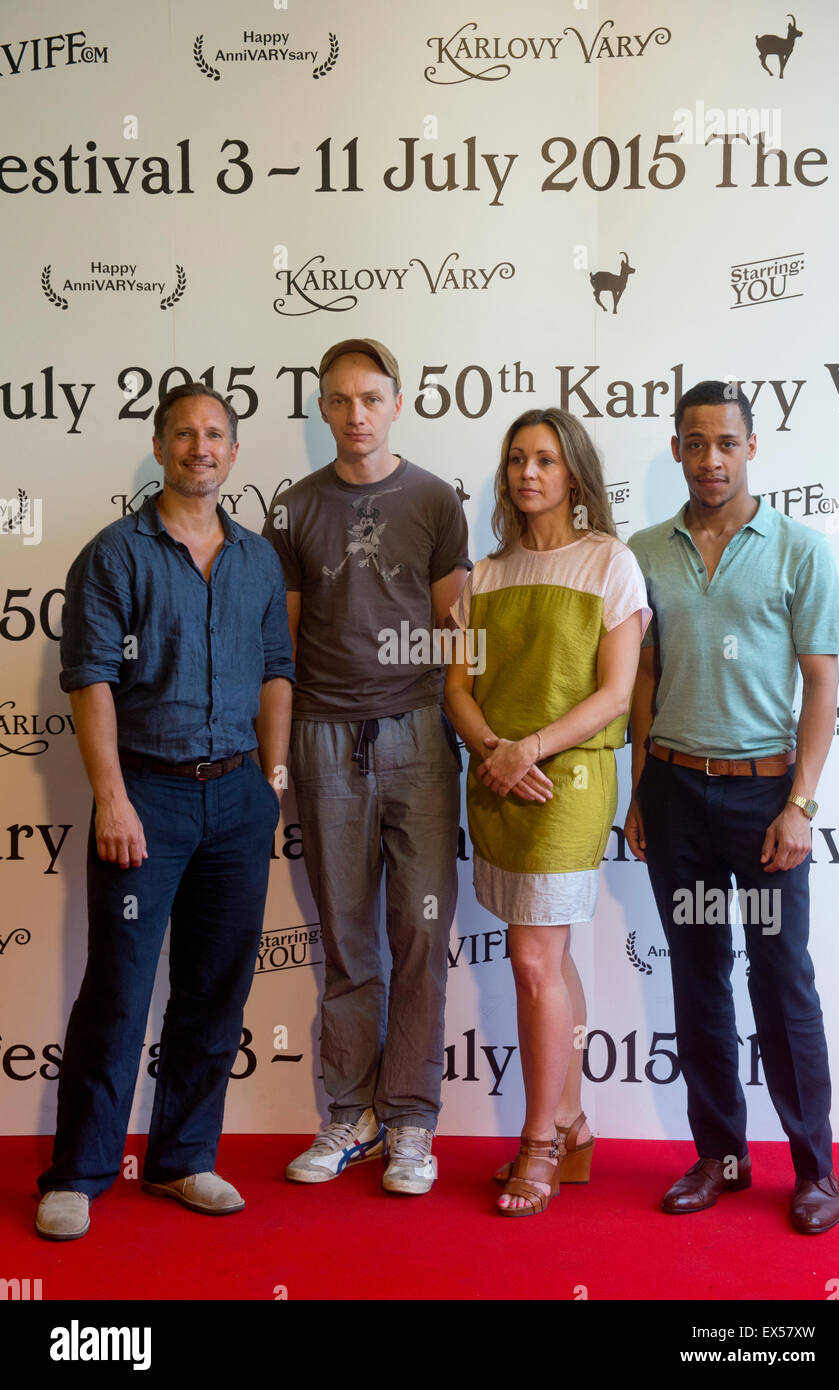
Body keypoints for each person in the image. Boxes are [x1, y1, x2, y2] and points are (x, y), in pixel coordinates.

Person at [35, 383, 294, 1240]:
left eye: (215, 434)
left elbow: (274, 671)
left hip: (238, 799)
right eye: (184, 433)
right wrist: (111, 796)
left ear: (233, 451)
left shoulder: (257, 560)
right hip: (145, 796)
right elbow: (92, 680)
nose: (200, 448)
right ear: (158, 445)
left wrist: (274, 780)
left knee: (214, 991)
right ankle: (78, 1172)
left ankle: (183, 1159)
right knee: (119, 989)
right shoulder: (114, 554)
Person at [625, 379, 839, 1234]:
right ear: (676, 448)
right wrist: (639, 787)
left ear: (751, 447)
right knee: (697, 977)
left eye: (725, 442)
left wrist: (801, 804)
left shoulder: (797, 549)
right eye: (693, 442)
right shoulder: (643, 550)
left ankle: (815, 1170)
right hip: (675, 791)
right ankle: (720, 1157)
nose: (709, 459)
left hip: (763, 799)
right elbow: (641, 678)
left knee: (782, 981)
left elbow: (823, 683)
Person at [263, 338, 469, 1195]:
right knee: (347, 936)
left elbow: (458, 638)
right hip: (321, 738)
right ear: (323, 409)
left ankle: (411, 1123)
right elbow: (287, 640)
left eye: (371, 399)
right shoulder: (296, 507)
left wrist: (405, 677)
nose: (356, 415)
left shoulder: (434, 500)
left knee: (419, 931)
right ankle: (348, 1116)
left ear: (396, 403)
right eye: (341, 401)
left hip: (419, 735)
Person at [444, 407, 649, 1217]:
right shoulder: (482, 577)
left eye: (545, 460)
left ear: (574, 475)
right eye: (516, 459)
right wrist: (496, 750)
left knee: (530, 961)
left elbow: (615, 693)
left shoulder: (610, 563)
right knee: (550, 959)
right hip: (498, 781)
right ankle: (570, 1123)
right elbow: (455, 688)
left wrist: (525, 749)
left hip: (565, 785)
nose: (528, 473)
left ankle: (535, 1142)